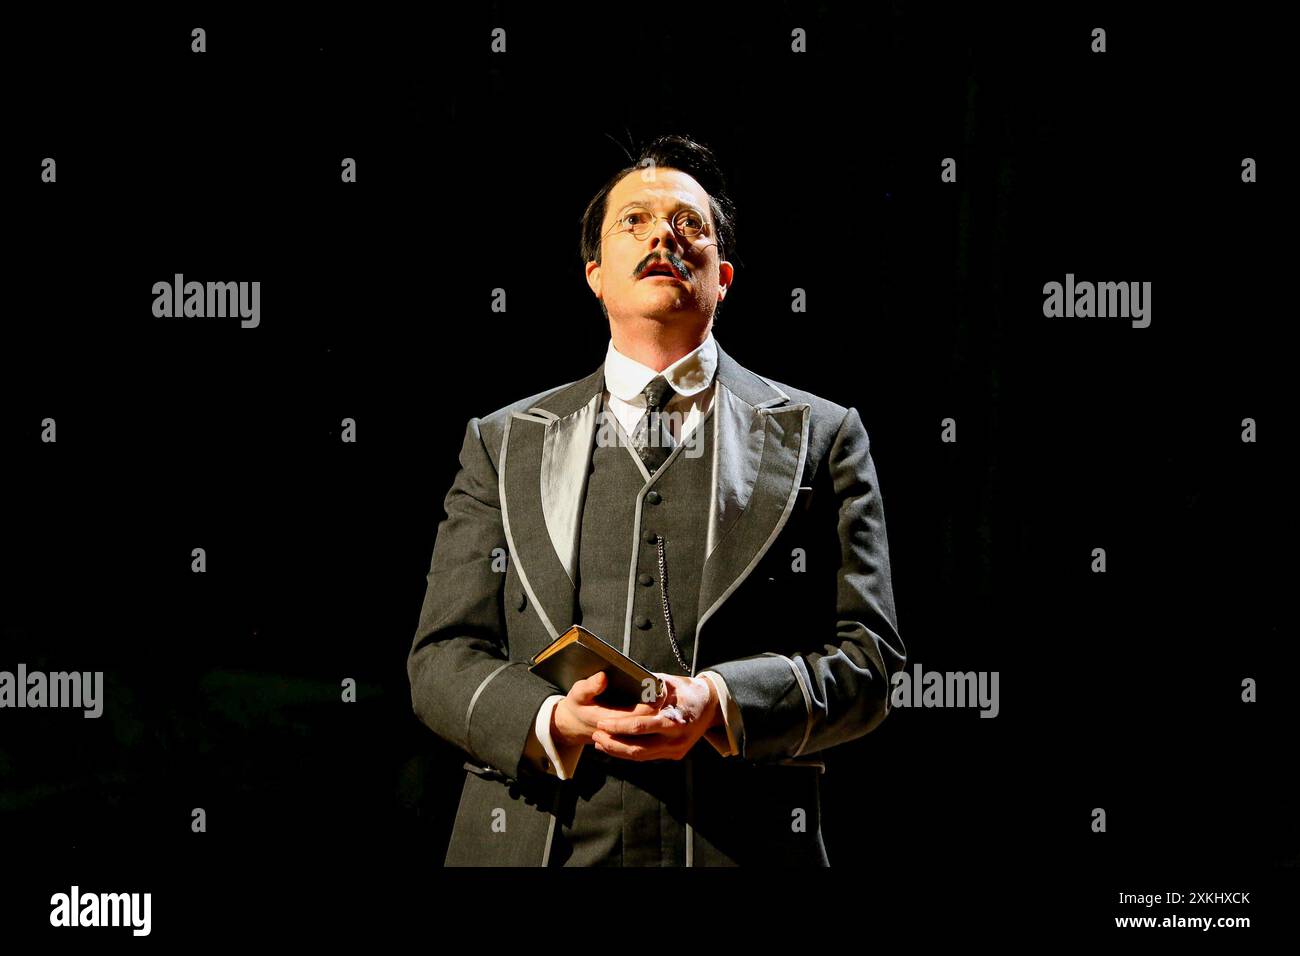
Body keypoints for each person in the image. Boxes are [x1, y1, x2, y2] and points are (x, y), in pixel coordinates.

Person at [407, 134, 906, 866]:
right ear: (595, 276)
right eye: (632, 223)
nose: (662, 235)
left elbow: (870, 664)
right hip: (533, 840)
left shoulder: (822, 437)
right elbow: (440, 657)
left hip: (739, 842)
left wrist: (722, 701)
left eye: (689, 224)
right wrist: (549, 718)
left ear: (724, 275)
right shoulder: (503, 441)